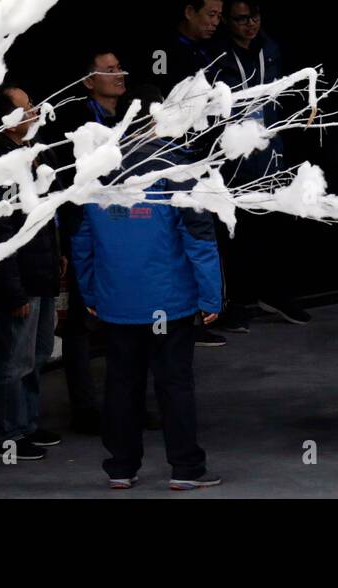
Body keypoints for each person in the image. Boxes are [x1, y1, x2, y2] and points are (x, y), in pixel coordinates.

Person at [70, 93, 225, 491]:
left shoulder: (95, 173)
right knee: (174, 385)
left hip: (116, 304)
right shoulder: (178, 170)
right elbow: (199, 238)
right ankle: (186, 470)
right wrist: (212, 296)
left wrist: (90, 294)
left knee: (121, 385)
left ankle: (121, 468)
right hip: (168, 306)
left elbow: (81, 241)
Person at [0, 84, 65, 463]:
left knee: (36, 356)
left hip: (41, 272)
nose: (35, 112)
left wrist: (56, 258)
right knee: (12, 360)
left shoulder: (30, 155)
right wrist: (12, 291)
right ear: (8, 121)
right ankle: (5, 436)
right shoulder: (1, 168)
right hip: (20, 278)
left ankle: (26, 425)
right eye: (27, 108)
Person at [213, 0, 310, 331]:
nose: (249, 24)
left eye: (253, 16)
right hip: (235, 154)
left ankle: (276, 294)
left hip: (270, 150)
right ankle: (238, 300)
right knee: (238, 229)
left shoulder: (271, 47)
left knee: (276, 225)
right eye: (241, 19)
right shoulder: (219, 55)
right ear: (227, 21)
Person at [47, 47, 127, 433]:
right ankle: (86, 410)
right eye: (110, 70)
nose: (120, 74)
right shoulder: (76, 125)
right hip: (88, 233)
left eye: (120, 68)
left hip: (129, 234)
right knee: (80, 324)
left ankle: (124, 405)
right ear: (89, 81)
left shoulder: (134, 117)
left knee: (128, 322)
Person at [161, 0, 228, 347]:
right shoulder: (168, 53)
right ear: (189, 11)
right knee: (188, 235)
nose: (215, 22)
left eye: (220, 15)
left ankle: (208, 310)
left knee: (205, 234)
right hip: (175, 159)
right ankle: (193, 316)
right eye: (210, 14)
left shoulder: (212, 52)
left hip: (206, 158)